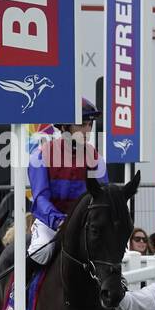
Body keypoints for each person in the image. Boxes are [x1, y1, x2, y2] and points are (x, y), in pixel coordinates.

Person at [26, 98, 108, 269]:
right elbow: (40, 198)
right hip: (50, 223)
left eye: (89, 125)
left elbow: (102, 197)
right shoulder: (40, 157)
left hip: (84, 224)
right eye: (81, 125)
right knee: (40, 250)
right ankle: (18, 293)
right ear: (64, 128)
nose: (87, 130)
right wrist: (59, 221)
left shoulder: (96, 159)